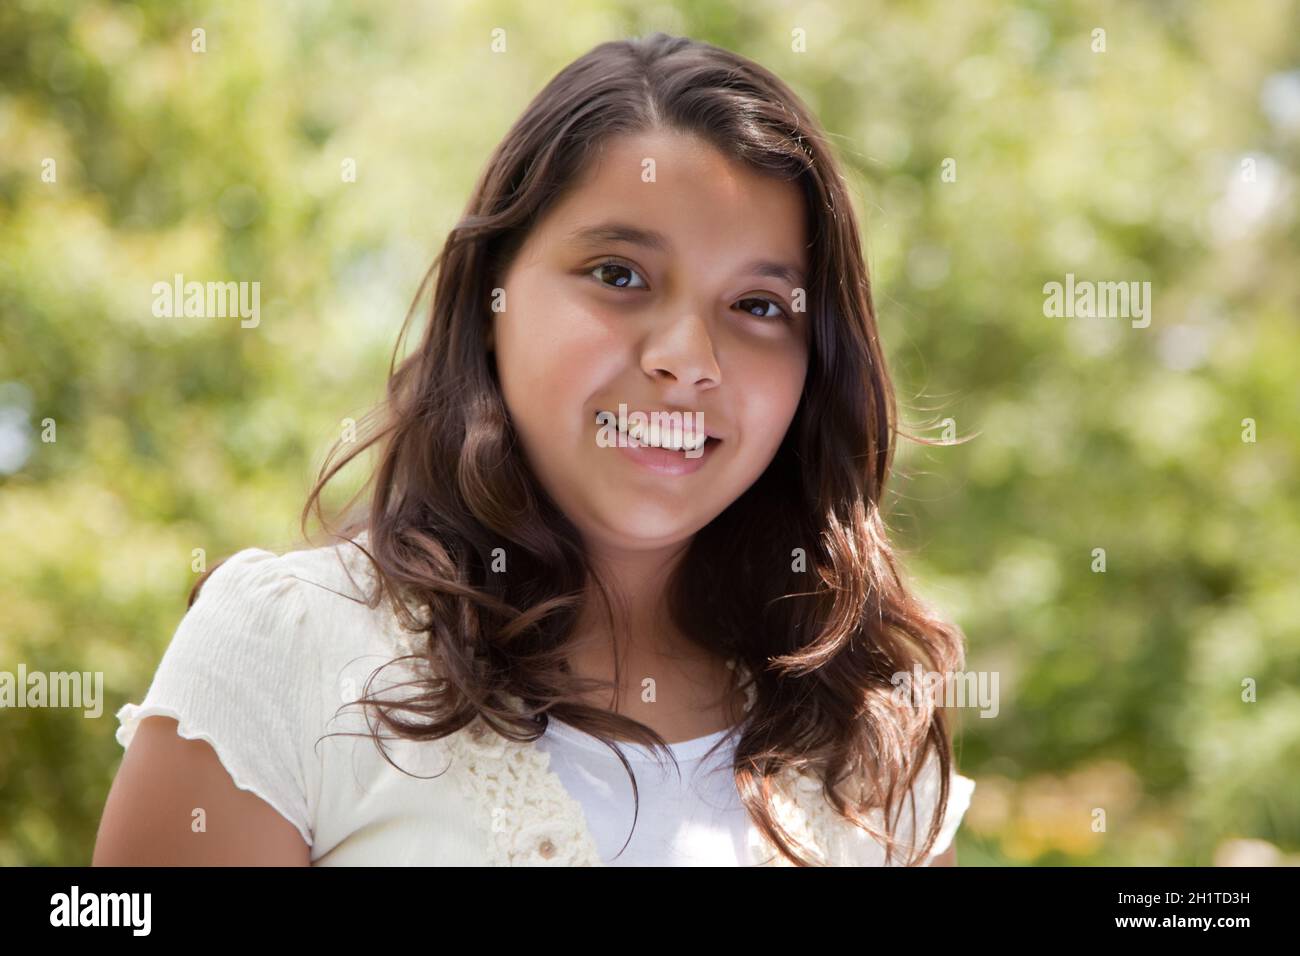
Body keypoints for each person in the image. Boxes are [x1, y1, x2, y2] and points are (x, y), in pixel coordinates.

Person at [94, 32, 975, 867]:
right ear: (491, 301)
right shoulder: (291, 646)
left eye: (757, 306)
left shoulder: (865, 736)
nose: (688, 361)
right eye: (619, 275)